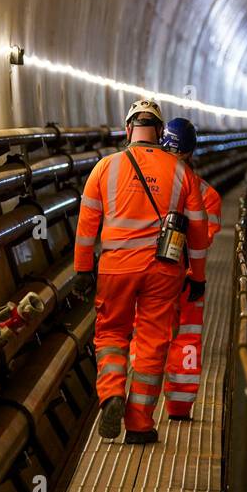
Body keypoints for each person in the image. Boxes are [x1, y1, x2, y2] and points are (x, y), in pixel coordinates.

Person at [71, 100, 209, 444]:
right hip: (163, 269)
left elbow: (87, 225)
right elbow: (198, 231)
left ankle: (112, 393)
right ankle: (139, 424)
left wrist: (83, 269)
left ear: (127, 128)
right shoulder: (182, 173)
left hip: (116, 267)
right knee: (152, 342)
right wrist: (199, 275)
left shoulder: (105, 168)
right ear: (160, 132)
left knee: (111, 334)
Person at [159, 118, 222, 421]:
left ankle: (138, 400)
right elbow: (205, 237)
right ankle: (180, 406)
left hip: (151, 275)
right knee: (186, 338)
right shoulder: (207, 193)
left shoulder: (150, 185)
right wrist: (196, 276)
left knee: (146, 332)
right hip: (188, 278)